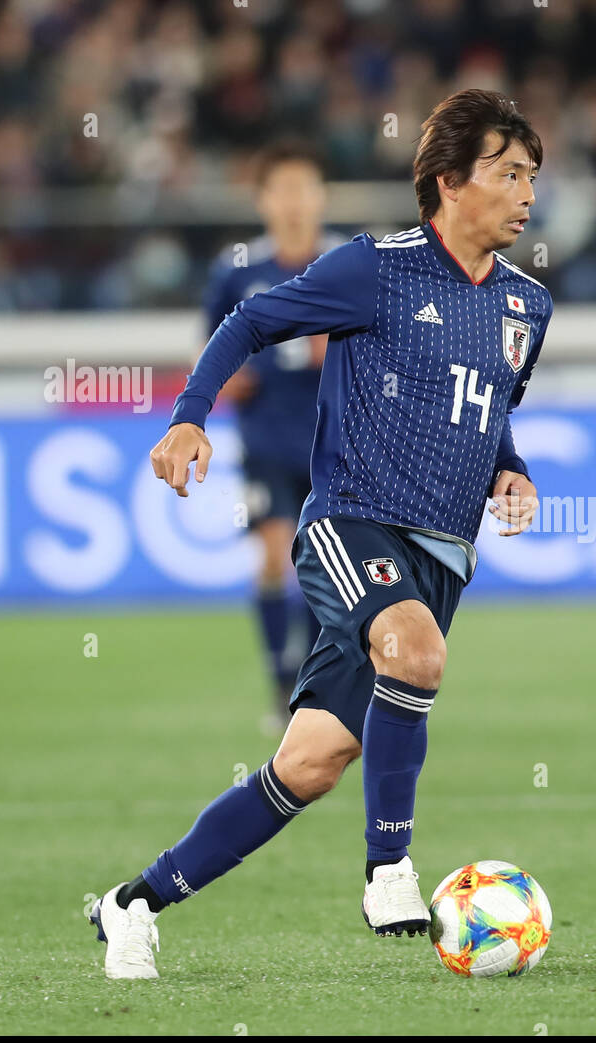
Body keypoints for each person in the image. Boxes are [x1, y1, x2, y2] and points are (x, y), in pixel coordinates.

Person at [90, 90, 552, 979]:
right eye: (509, 173)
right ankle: (389, 868)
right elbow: (251, 320)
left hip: (443, 553)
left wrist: (514, 467)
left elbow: (490, 412)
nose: (527, 192)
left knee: (310, 763)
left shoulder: (528, 306)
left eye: (532, 175)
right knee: (414, 656)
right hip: (351, 518)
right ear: (451, 183)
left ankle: (132, 904)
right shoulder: (376, 269)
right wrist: (189, 417)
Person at [202, 141, 338, 730]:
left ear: (321, 197)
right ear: (262, 201)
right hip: (264, 442)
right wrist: (233, 379)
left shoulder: (345, 265)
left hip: (334, 445)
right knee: (273, 556)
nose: (293, 203)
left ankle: (310, 685)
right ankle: (280, 684)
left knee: (321, 564)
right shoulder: (237, 274)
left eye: (303, 189)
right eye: (281, 190)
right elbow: (212, 352)